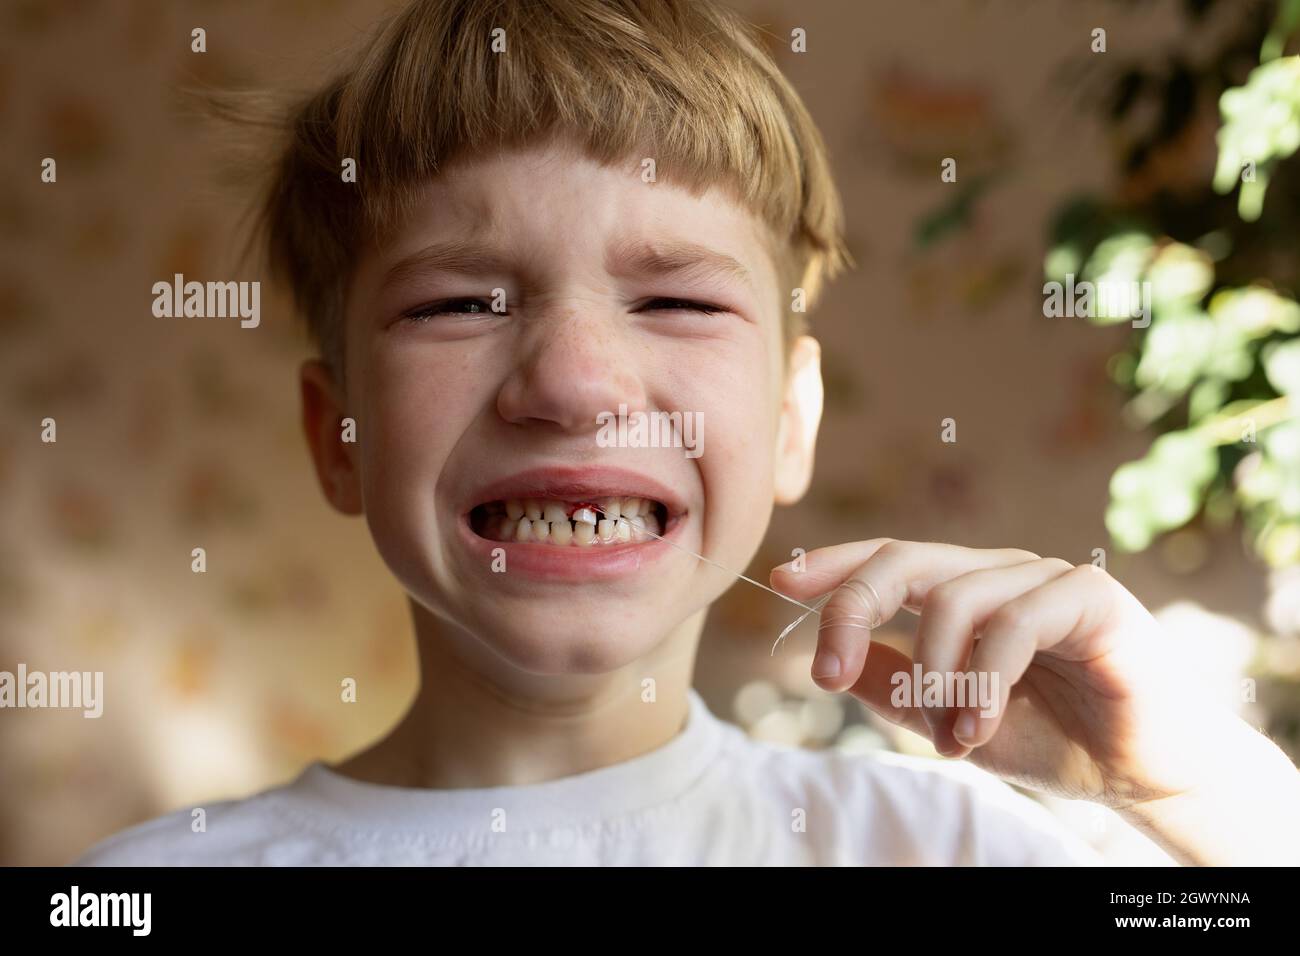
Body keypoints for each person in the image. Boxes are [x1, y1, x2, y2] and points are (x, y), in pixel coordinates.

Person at [77, 0, 1300, 866]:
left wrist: (1199, 789)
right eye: (459, 303)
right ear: (337, 436)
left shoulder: (941, 847)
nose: (574, 383)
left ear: (788, 419)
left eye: (676, 301)